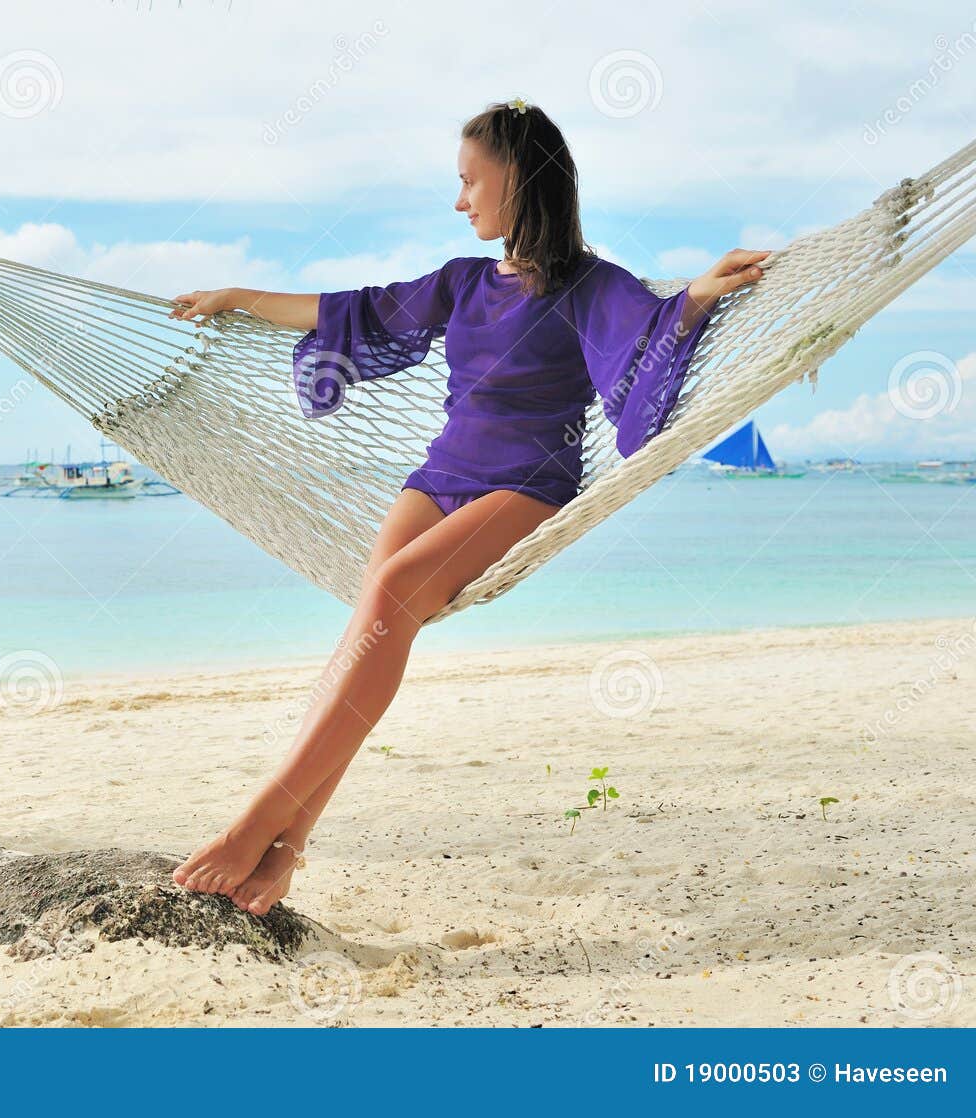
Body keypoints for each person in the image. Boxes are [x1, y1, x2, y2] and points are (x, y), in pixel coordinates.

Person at [164, 98, 770, 916]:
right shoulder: (461, 281)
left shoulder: (591, 286)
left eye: (468, 182)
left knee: (385, 599)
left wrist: (695, 297)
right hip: (438, 476)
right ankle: (286, 853)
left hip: (525, 482)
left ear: (517, 178)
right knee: (369, 628)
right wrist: (237, 295)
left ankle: (257, 822)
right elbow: (353, 310)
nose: (460, 202)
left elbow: (648, 341)